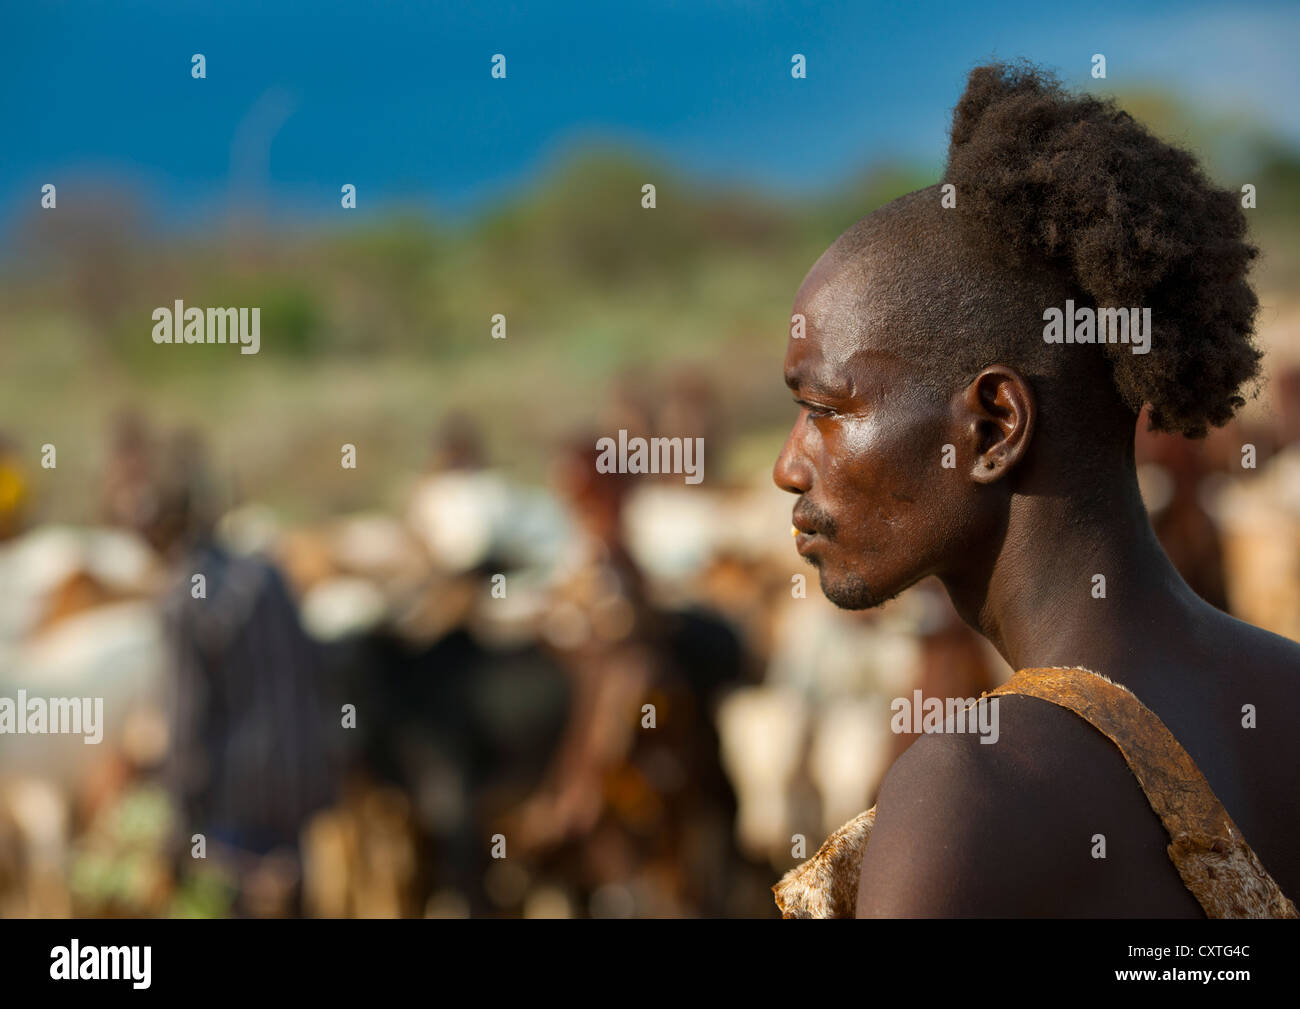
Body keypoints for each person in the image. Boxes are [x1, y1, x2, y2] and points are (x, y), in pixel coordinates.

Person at [770, 61, 1300, 918]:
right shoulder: (1285, 696)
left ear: (992, 429)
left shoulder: (972, 791)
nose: (789, 466)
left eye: (824, 409)